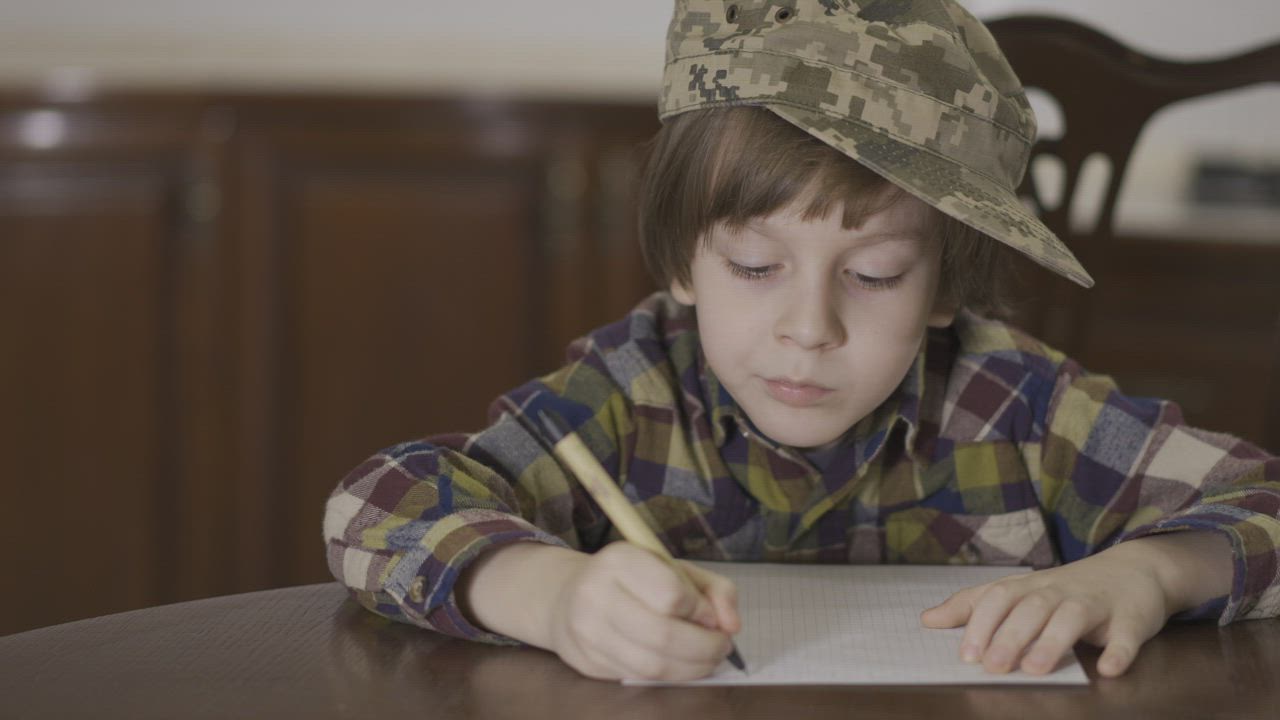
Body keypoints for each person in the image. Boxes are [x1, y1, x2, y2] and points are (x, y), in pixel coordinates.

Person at [323, 0, 1280, 682]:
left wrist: (1148, 573)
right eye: (753, 265)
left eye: (875, 275)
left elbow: (1262, 501)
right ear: (683, 260)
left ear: (943, 287)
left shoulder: (1016, 404)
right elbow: (372, 508)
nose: (809, 328)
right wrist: (550, 596)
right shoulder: (628, 389)